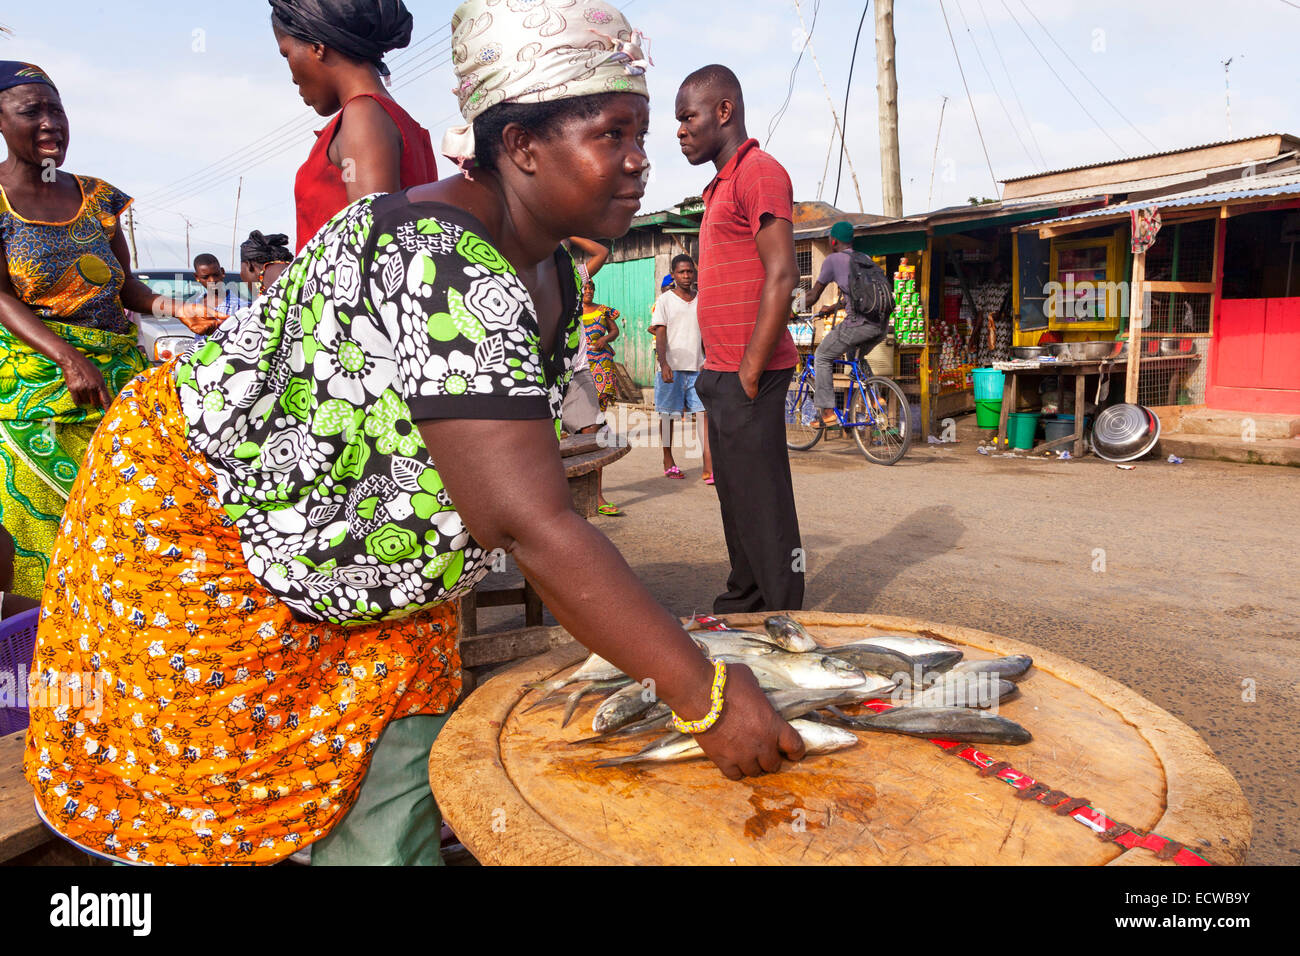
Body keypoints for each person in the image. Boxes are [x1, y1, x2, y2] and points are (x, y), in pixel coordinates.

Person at [24, 2, 802, 866]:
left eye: (644, 135)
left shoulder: (545, 267)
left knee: (386, 763)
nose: (638, 162)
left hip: (349, 539)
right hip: (200, 527)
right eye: (613, 134)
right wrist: (704, 694)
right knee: (220, 791)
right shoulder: (441, 253)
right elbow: (527, 523)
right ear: (521, 147)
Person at [0, 62, 223, 599]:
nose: (51, 123)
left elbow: (126, 285)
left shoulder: (97, 197)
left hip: (116, 380)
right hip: (36, 387)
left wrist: (174, 306)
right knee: (49, 524)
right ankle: (40, 646)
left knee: (135, 518)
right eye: (32, 111)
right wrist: (65, 356)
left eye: (57, 109)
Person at [675, 64, 803, 614]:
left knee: (764, 502)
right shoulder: (719, 186)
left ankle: (783, 616)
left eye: (688, 117)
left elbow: (783, 274)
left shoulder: (759, 173)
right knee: (735, 498)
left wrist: (750, 368)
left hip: (750, 372)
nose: (680, 130)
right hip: (722, 372)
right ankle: (745, 599)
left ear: (723, 111)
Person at [272, 0, 439, 251]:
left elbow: (373, 250)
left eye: (286, 54)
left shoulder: (364, 116)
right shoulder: (384, 117)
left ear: (317, 47)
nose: (292, 76)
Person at [561, 236, 623, 517]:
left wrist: (569, 230)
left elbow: (601, 251)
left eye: (564, 246)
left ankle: (595, 497)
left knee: (593, 435)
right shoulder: (526, 274)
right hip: (538, 374)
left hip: (578, 368)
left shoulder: (575, 275)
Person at [805, 220, 887, 429]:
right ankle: (875, 398)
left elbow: (813, 296)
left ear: (833, 241)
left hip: (858, 324)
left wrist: (792, 307)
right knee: (854, 355)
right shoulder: (865, 259)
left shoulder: (833, 260)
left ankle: (827, 412)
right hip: (880, 325)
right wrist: (833, 308)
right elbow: (859, 295)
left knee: (822, 356)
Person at [650, 253, 713, 482]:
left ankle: (708, 464)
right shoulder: (665, 300)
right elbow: (660, 332)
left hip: (698, 367)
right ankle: (668, 460)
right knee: (667, 416)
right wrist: (663, 363)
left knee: (704, 415)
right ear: (673, 274)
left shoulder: (702, 299)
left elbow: (707, 332)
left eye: (690, 271)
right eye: (681, 272)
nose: (686, 276)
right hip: (672, 369)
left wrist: (709, 359)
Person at [191, 252, 251, 318]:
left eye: (216, 275)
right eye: (205, 277)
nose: (212, 280)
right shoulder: (193, 305)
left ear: (222, 272)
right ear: (197, 277)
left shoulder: (241, 307)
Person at [237, 229, 295, 297]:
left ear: (249, 265)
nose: (243, 279)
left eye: (242, 272)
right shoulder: (298, 276)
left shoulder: (269, 301)